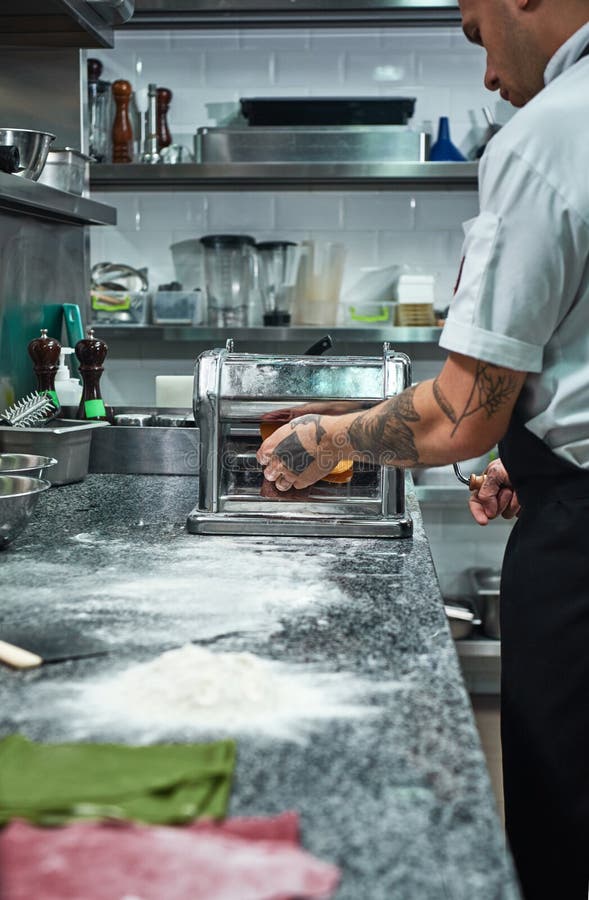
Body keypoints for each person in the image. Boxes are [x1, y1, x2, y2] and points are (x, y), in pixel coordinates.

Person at [257, 2, 589, 897]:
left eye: (476, 32)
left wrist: (323, 437)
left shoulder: (552, 131)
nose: (485, 74)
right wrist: (543, 457)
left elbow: (455, 416)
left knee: (566, 844)